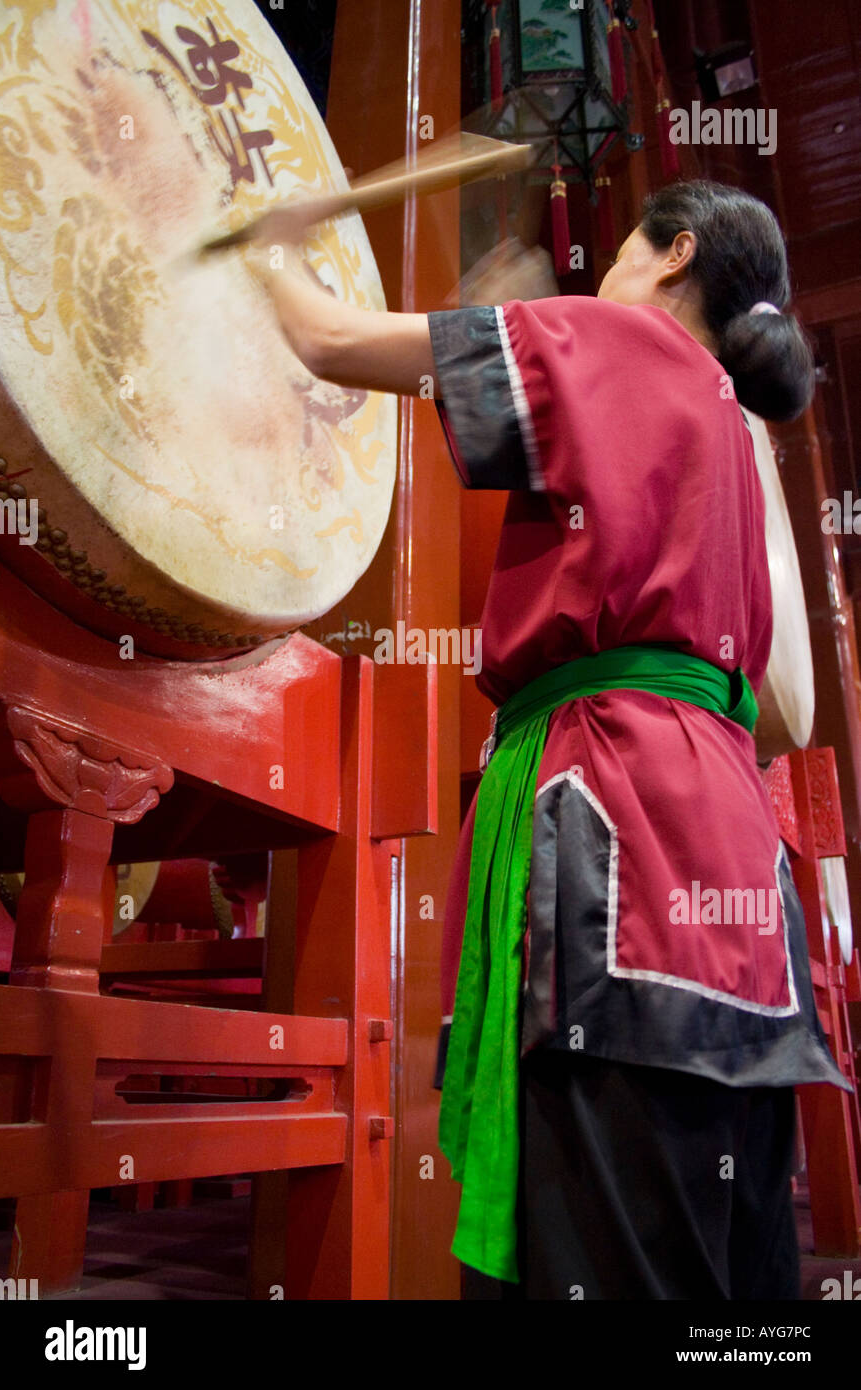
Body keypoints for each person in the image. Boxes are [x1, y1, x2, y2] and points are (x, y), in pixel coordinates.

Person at [255, 178, 853, 1300]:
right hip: (736, 884)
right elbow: (779, 703)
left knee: (597, 1259)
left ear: (672, 254)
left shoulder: (610, 339)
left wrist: (266, 239)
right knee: (735, 1279)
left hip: (619, 840)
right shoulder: (732, 425)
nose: (601, 275)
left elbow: (325, 340)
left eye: (622, 250)